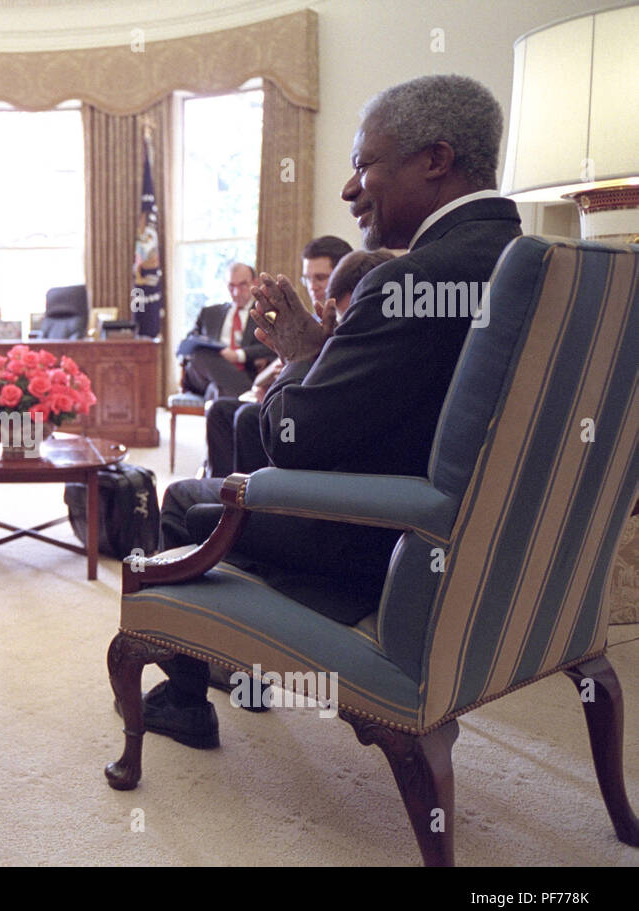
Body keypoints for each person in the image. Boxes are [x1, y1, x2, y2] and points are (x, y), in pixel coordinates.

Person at [151, 74, 522, 749]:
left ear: (435, 160)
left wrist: (297, 356)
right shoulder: (534, 264)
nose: (350, 190)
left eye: (363, 165)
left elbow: (296, 440)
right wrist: (329, 349)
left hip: (385, 543)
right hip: (495, 553)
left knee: (183, 503)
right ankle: (247, 660)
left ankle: (187, 699)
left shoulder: (413, 279)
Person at [204, 247, 392, 480]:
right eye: (308, 278)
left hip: (317, 449)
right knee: (219, 409)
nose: (312, 285)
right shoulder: (314, 322)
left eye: (320, 277)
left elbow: (286, 438)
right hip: (286, 399)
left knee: (246, 419)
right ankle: (220, 487)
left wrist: (297, 365)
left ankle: (242, 501)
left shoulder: (368, 339)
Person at [176, 262, 274, 398]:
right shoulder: (208, 313)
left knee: (217, 390)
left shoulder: (266, 314)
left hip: (242, 372)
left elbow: (273, 346)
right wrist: (216, 350)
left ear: (255, 283)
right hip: (203, 374)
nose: (236, 292)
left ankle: (223, 394)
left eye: (243, 285)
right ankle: (245, 391)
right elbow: (188, 343)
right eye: (231, 286)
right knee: (200, 356)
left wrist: (238, 355)